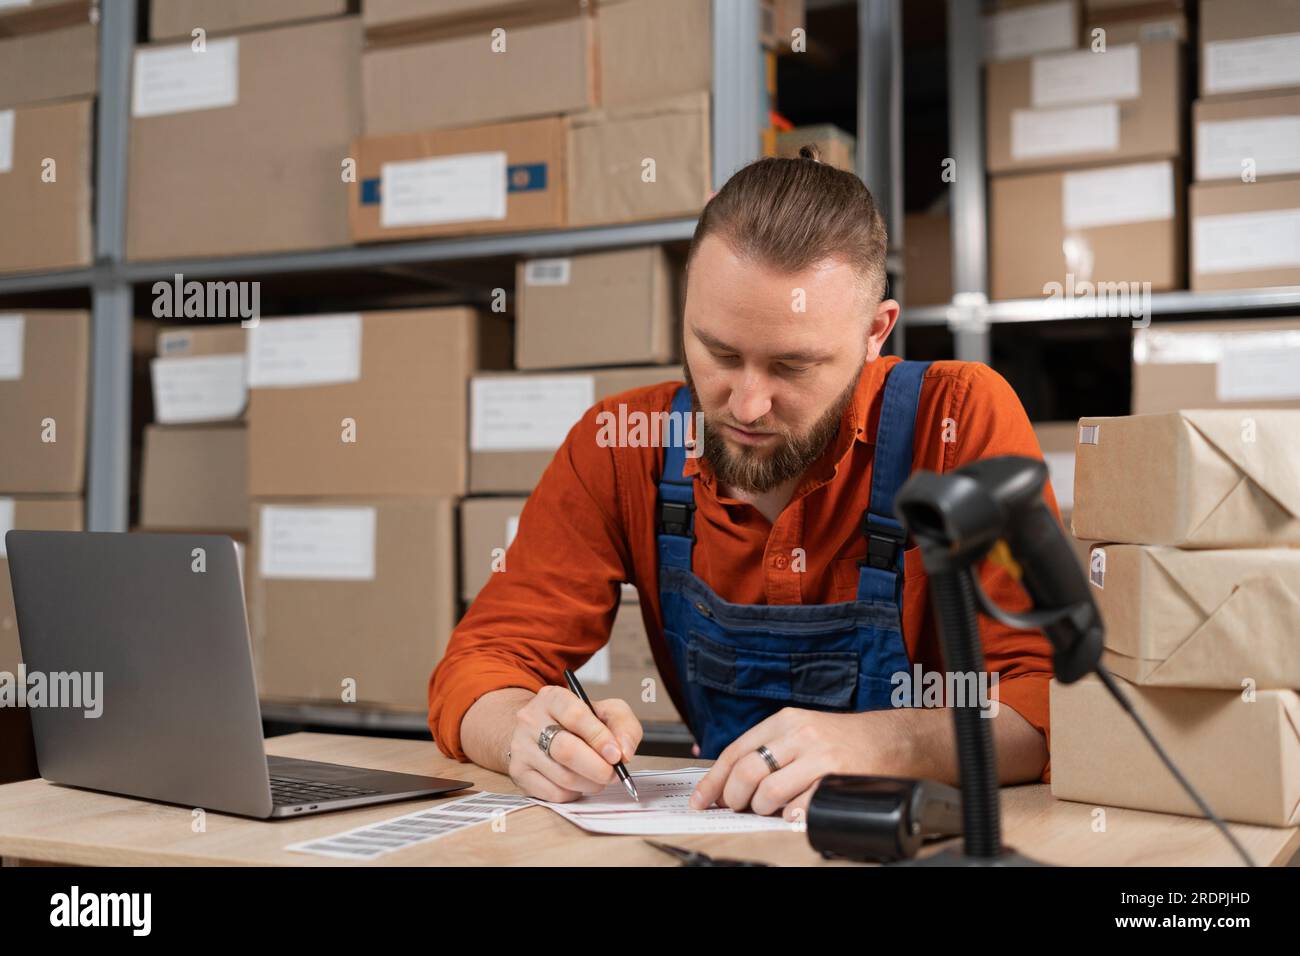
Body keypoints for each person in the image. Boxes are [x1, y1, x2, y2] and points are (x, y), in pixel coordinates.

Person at [428, 145, 1059, 822]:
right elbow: (479, 667)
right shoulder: (621, 446)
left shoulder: (956, 419)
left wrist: (889, 741)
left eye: (793, 366)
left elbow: (1044, 702)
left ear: (876, 332)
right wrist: (526, 731)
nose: (747, 405)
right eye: (719, 353)